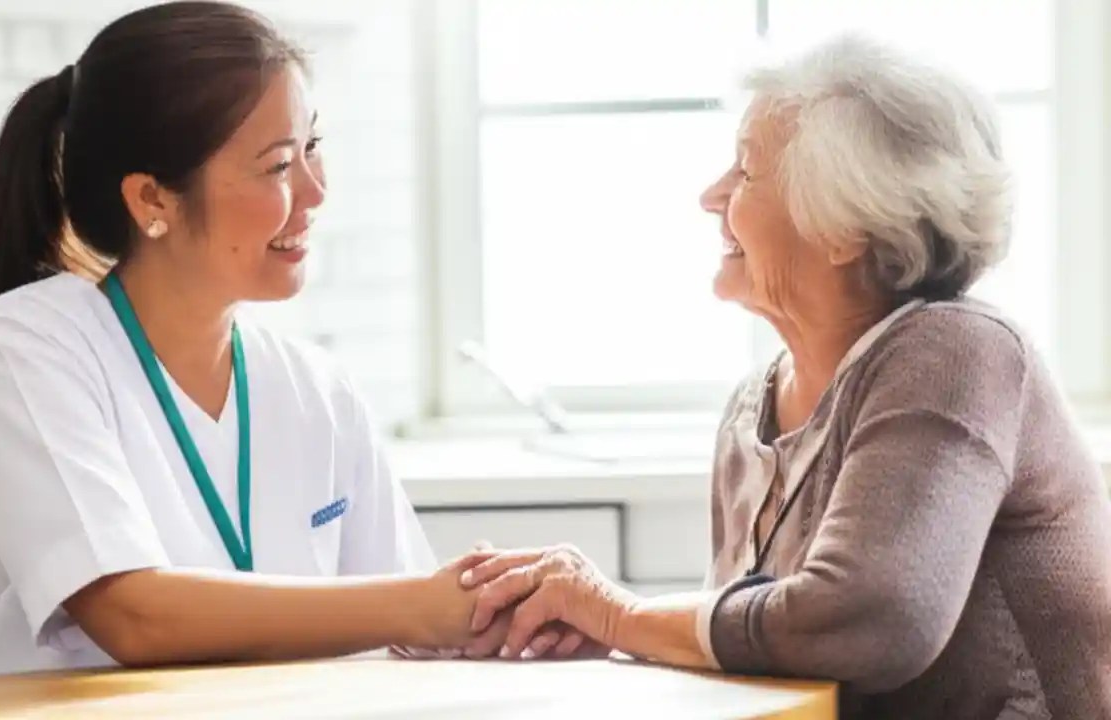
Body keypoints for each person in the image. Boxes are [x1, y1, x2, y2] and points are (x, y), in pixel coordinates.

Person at [457, 36, 1111, 719]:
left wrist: (621, 615)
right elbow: (761, 650)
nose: (711, 196)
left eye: (745, 172)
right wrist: (615, 630)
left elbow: (869, 622)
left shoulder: (958, 353)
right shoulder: (755, 405)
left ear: (845, 223)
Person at [0, 1, 490, 677]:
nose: (316, 191)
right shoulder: (23, 349)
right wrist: (428, 608)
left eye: (312, 149)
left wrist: (501, 607)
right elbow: (132, 615)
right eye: (277, 166)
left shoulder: (317, 387)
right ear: (152, 201)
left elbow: (412, 628)